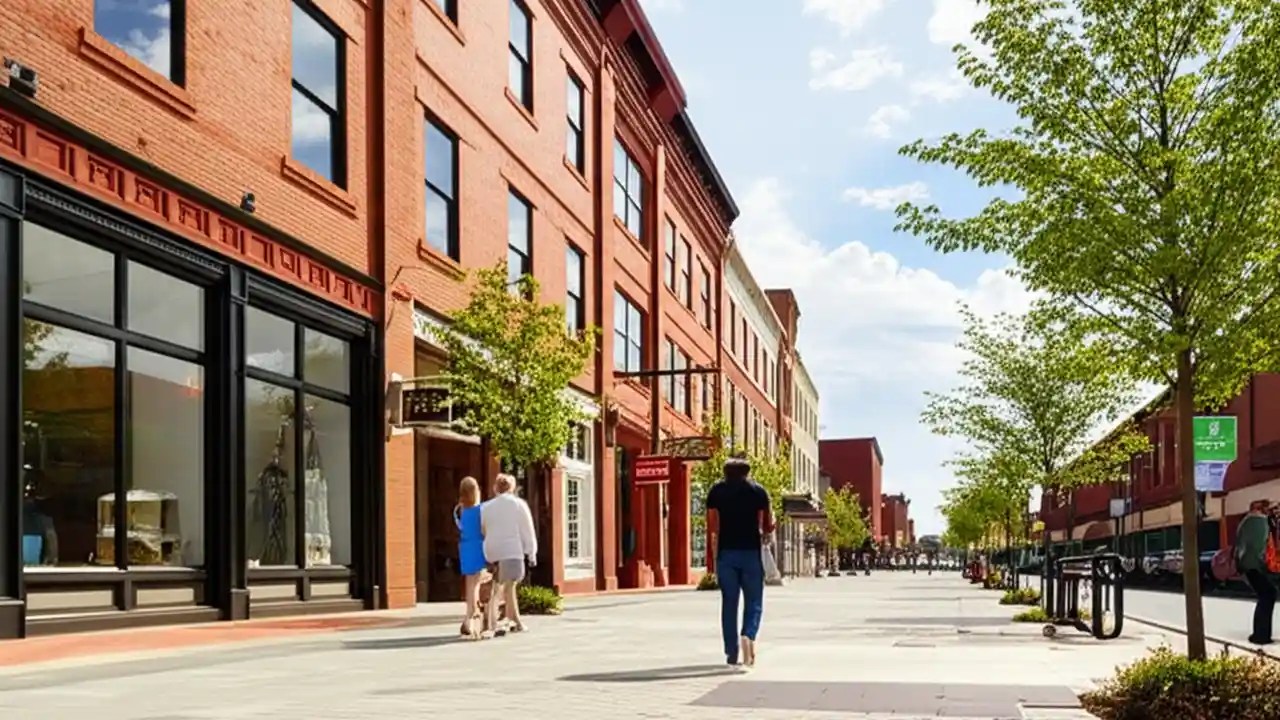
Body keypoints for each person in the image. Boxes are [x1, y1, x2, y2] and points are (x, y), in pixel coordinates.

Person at [706, 456, 773, 667]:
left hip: (727, 554)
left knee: (729, 604)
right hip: (751, 554)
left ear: (726, 472)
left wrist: (714, 555)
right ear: (747, 472)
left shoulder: (716, 491)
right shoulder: (758, 491)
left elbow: (712, 526)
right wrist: (768, 529)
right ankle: (748, 635)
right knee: (754, 602)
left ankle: (731, 652)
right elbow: (768, 524)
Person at [480, 473, 537, 637]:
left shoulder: (486, 507)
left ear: (495, 488)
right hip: (512, 550)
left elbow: (483, 529)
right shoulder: (518, 505)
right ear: (512, 488)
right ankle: (511, 621)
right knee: (509, 586)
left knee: (499, 586)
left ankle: (509, 619)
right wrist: (531, 552)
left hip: (491, 550)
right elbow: (527, 530)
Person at [1236, 499, 1277, 645]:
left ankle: (1260, 634)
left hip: (1247, 565)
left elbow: (1241, 545)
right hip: (1255, 565)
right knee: (1267, 595)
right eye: (1267, 507)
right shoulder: (1259, 521)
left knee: (1266, 595)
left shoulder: (1246, 521)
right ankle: (1261, 635)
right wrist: (1264, 563)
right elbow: (1260, 546)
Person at [453, 476, 487, 639]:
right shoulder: (481, 509)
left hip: (465, 546)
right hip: (477, 545)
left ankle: (469, 615)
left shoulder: (460, 509)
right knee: (476, 582)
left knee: (469, 582)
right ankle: (473, 617)